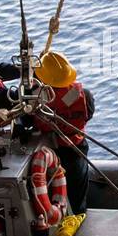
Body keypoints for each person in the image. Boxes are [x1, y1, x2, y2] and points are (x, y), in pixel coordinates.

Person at [31, 50, 95, 214]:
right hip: (75, 148)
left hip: (49, 154)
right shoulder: (84, 94)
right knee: (77, 191)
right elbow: (88, 115)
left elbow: (28, 121)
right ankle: (79, 218)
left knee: (54, 192)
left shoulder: (36, 98)